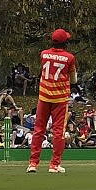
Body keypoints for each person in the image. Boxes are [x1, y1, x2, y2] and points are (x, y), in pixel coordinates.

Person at [29, 28, 77, 174]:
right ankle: (54, 165)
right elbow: (74, 79)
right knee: (58, 132)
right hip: (60, 99)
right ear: (65, 42)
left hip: (44, 96)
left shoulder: (44, 54)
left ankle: (33, 163)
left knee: (38, 130)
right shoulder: (70, 57)